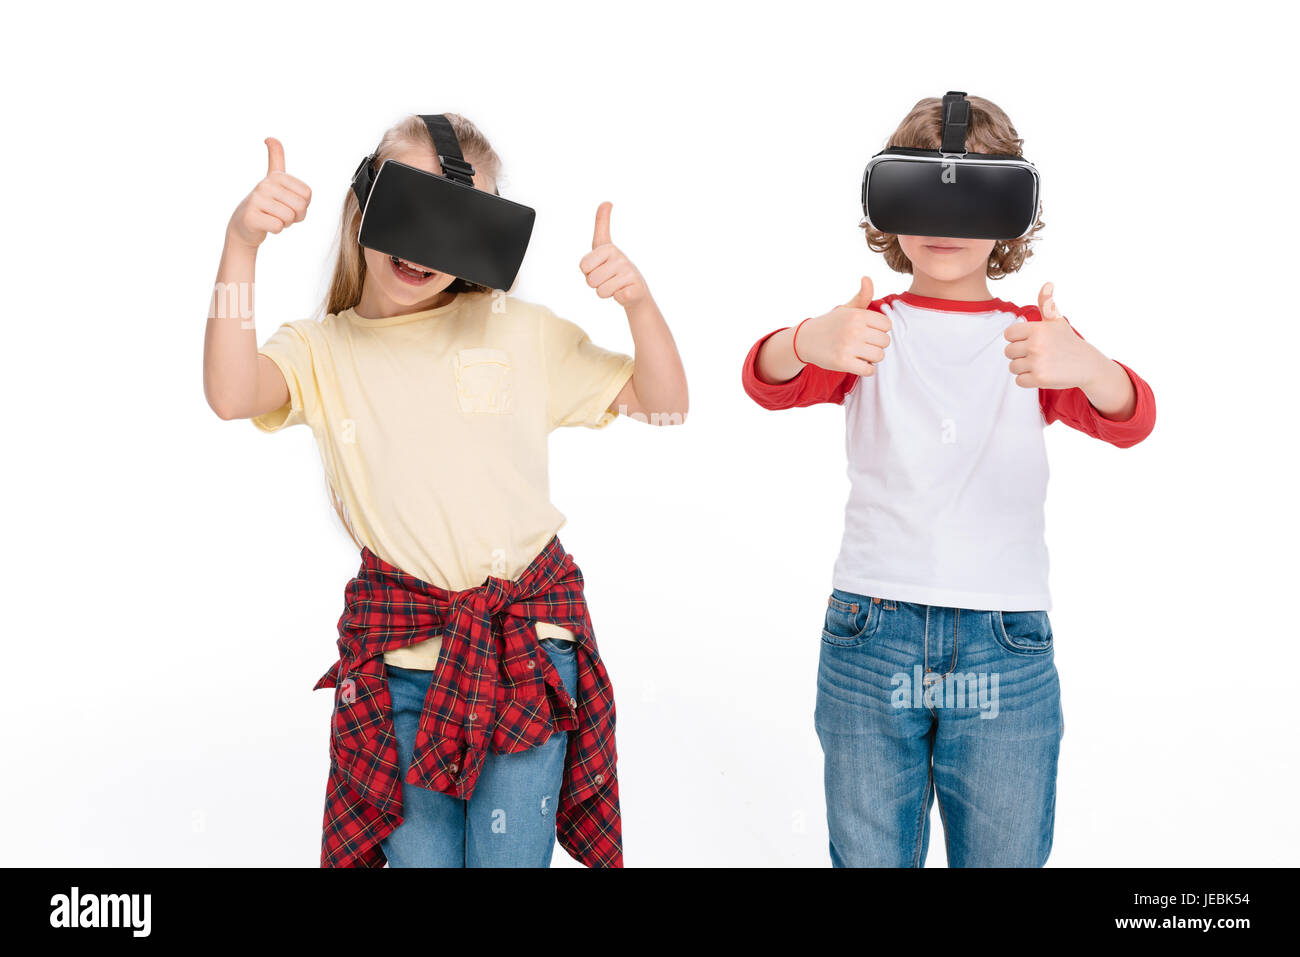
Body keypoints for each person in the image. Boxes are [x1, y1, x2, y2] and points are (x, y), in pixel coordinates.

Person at [203, 112, 687, 867]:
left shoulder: (517, 329)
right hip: (398, 665)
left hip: (526, 652)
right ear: (364, 202)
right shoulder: (323, 350)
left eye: (457, 221)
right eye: (411, 208)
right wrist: (242, 245)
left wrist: (639, 305)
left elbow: (666, 402)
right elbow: (233, 393)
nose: (424, 245)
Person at [741, 94, 1155, 867]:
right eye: (922, 192)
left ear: (1011, 216)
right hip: (870, 630)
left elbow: (1132, 418)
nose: (944, 222)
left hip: (1004, 639)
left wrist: (1088, 365)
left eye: (973, 196)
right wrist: (809, 338)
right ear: (885, 205)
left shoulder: (1035, 339)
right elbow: (766, 380)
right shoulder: (868, 328)